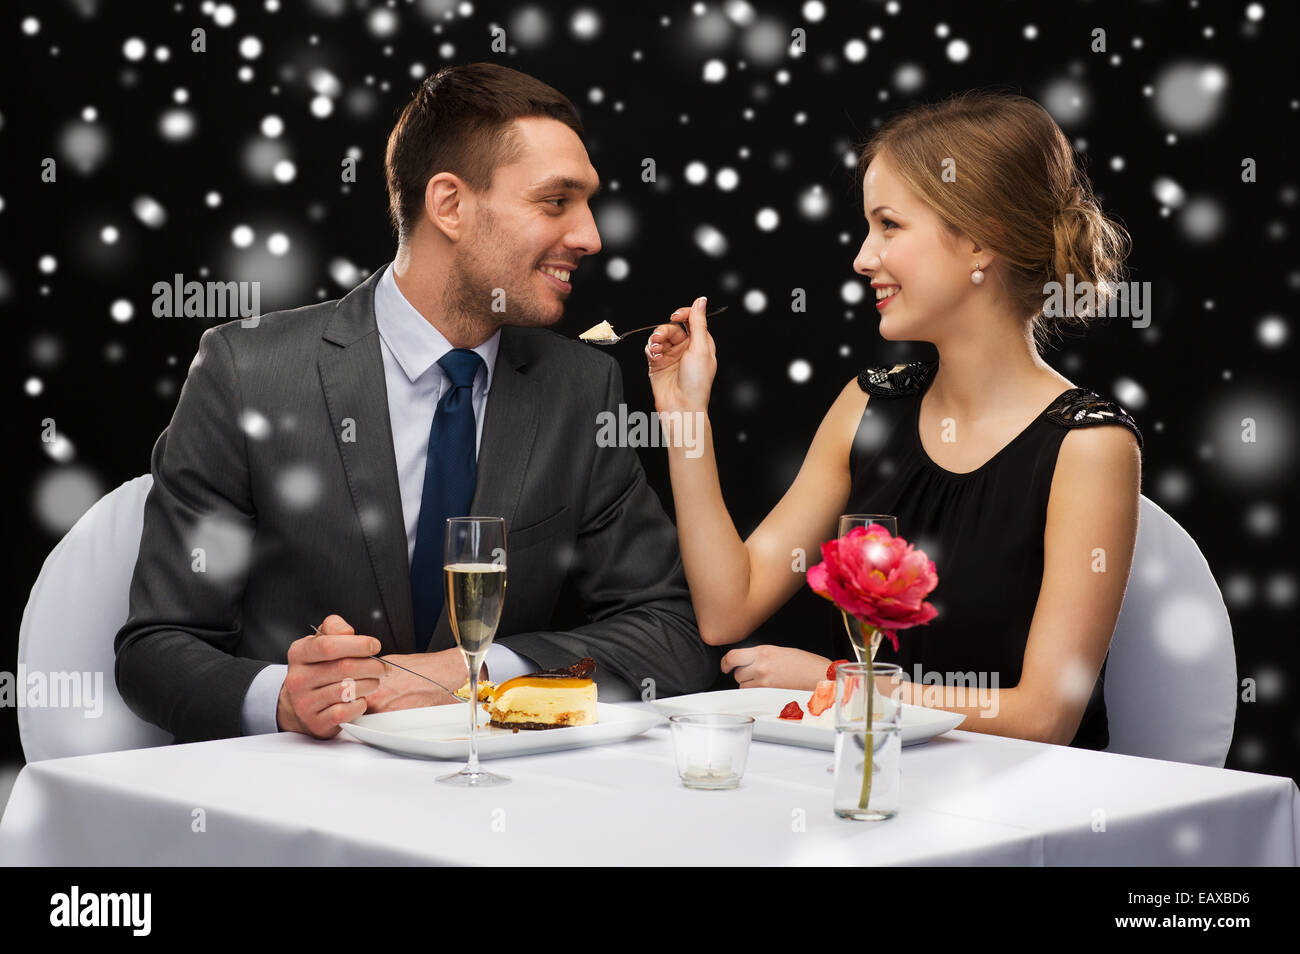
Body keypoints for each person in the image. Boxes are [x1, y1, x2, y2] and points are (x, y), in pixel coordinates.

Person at [115, 63, 718, 743]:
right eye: (556, 202)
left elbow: (669, 635)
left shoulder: (582, 389)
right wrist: (284, 699)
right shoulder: (247, 370)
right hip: (289, 810)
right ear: (450, 205)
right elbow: (155, 648)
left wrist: (477, 675)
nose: (590, 237)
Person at [645, 91, 1142, 750]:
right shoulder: (868, 405)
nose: (861, 257)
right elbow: (727, 608)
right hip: (872, 788)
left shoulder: (1089, 446)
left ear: (979, 241)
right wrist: (686, 422)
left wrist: (843, 683)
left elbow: (1045, 717)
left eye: (889, 226)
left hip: (1023, 812)